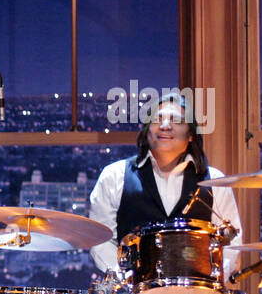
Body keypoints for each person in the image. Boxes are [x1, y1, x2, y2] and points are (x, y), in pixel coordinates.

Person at [88, 95, 243, 283]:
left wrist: (211, 282)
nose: (165, 125)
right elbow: (100, 240)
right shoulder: (114, 176)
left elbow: (231, 242)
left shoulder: (215, 180)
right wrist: (127, 281)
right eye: (157, 119)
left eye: (176, 120)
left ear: (191, 134)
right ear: (146, 130)